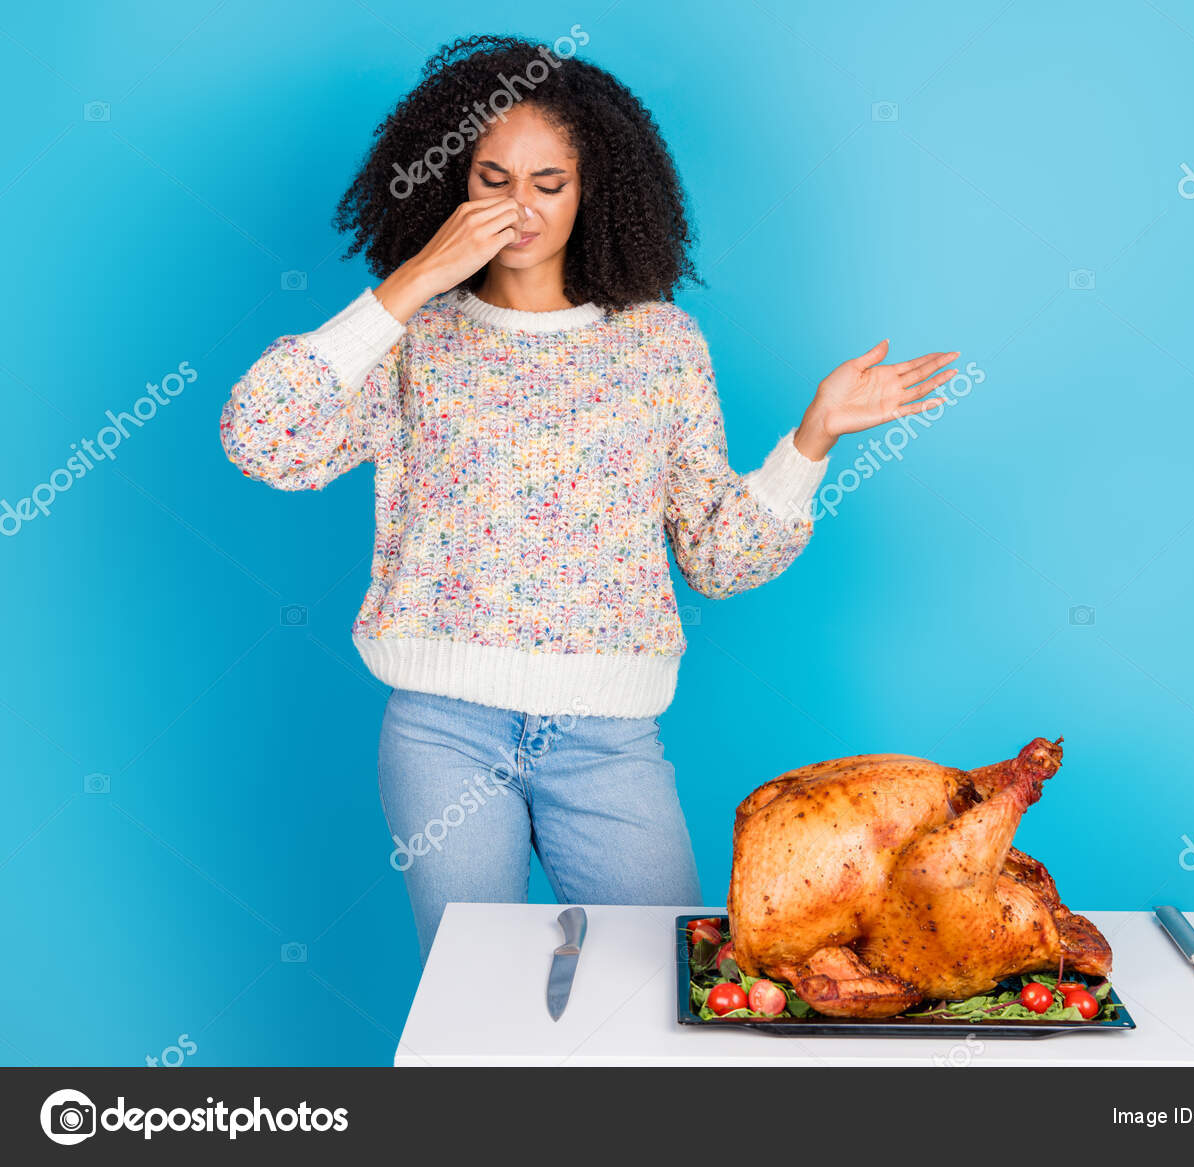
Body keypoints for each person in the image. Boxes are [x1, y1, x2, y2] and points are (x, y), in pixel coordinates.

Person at [220, 34, 959, 962]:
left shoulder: (659, 346)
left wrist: (814, 435)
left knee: (670, 990)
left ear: (592, 190)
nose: (518, 208)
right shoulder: (413, 338)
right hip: (441, 730)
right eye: (492, 179)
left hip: (609, 739)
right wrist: (409, 285)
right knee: (478, 1006)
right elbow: (260, 436)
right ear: (451, 187)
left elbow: (719, 559)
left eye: (548, 182)